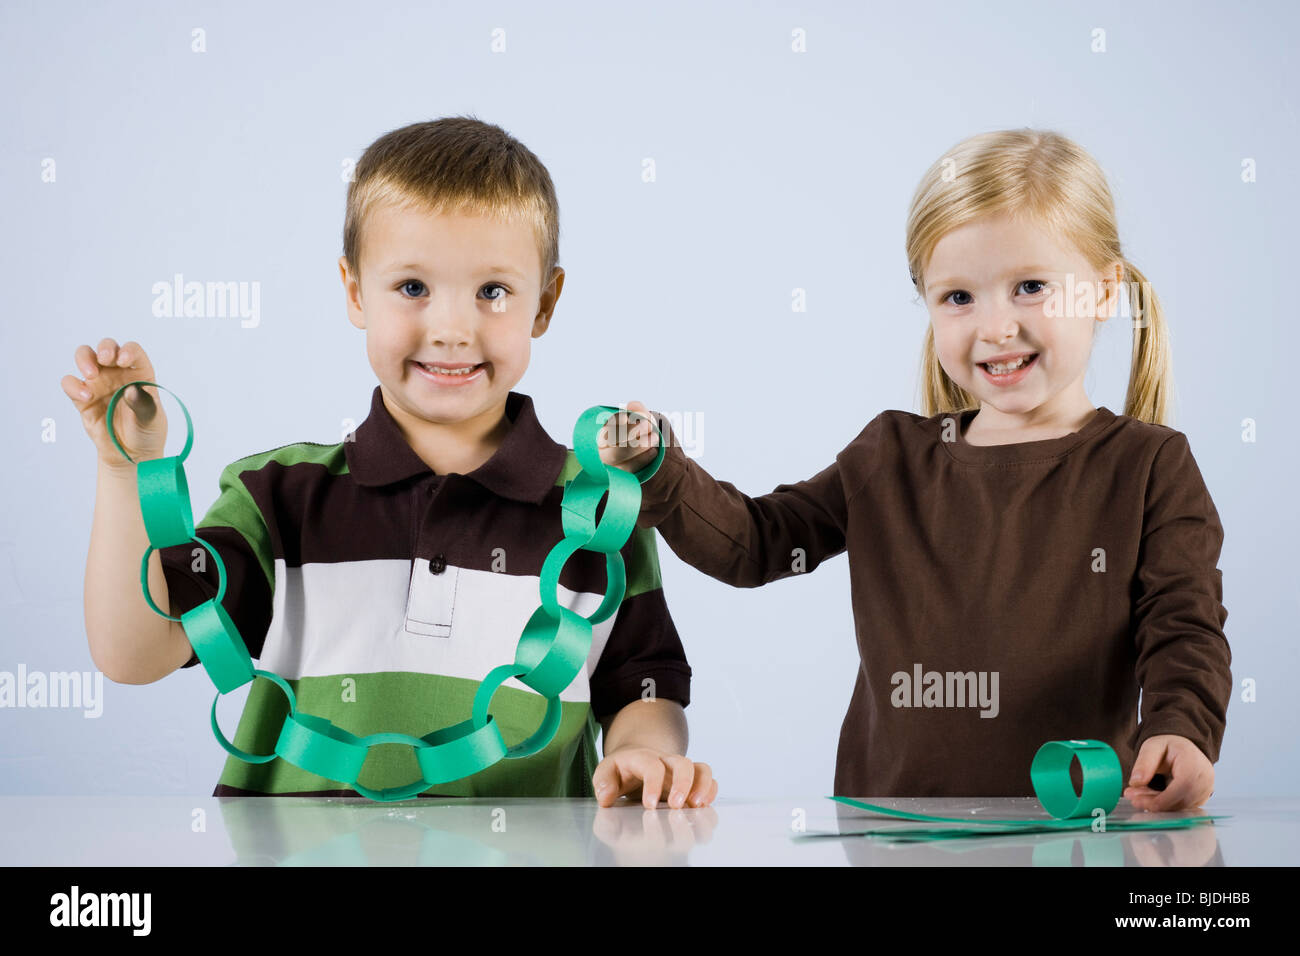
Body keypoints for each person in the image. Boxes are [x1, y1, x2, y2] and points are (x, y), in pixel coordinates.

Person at [65, 116, 716, 809]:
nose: (451, 328)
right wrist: (125, 469)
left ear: (546, 303)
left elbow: (642, 689)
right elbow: (134, 655)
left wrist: (644, 754)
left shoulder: (598, 517)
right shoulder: (280, 501)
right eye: (412, 287)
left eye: (492, 291)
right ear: (354, 292)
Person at [599, 128, 1230, 812]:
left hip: (1073, 833)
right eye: (959, 297)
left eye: (1029, 287)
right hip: (891, 837)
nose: (994, 327)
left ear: (1104, 291)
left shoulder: (1150, 466)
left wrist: (1182, 728)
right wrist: (660, 469)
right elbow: (756, 542)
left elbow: (1185, 625)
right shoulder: (888, 459)